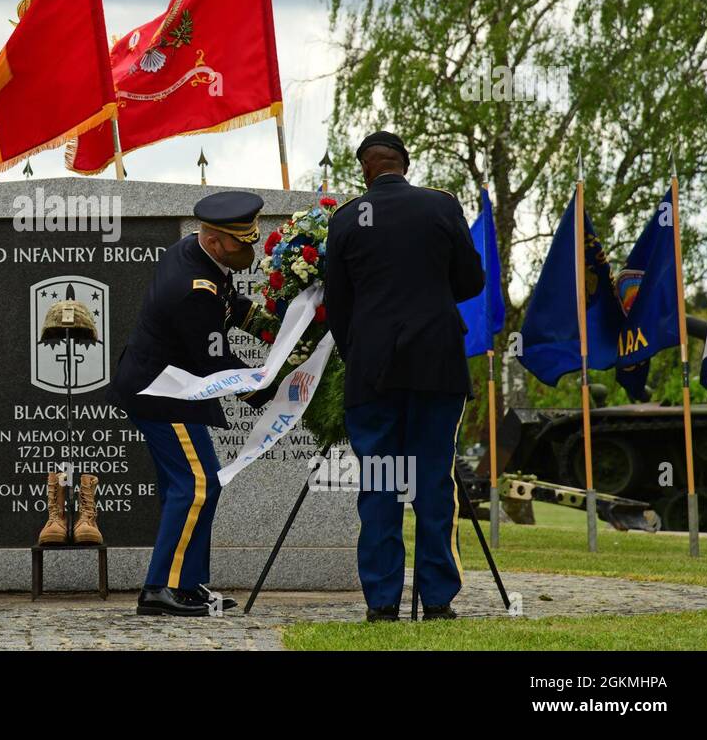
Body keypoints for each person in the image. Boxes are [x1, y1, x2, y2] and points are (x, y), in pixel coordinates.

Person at [323, 131, 485, 621]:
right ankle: (437, 601)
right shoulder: (441, 207)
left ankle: (382, 602)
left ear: (366, 170)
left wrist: (360, 352)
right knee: (434, 482)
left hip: (373, 375)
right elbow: (472, 281)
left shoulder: (348, 217)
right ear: (405, 165)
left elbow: (338, 304)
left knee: (380, 484)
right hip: (436, 367)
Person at [109, 191, 281, 617]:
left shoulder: (195, 253)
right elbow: (215, 361)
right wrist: (267, 388)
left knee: (195, 486)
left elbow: (231, 306)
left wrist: (278, 328)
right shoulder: (192, 289)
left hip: (170, 388)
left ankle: (187, 584)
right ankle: (161, 589)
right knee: (197, 484)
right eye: (244, 243)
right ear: (217, 240)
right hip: (163, 394)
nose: (252, 249)